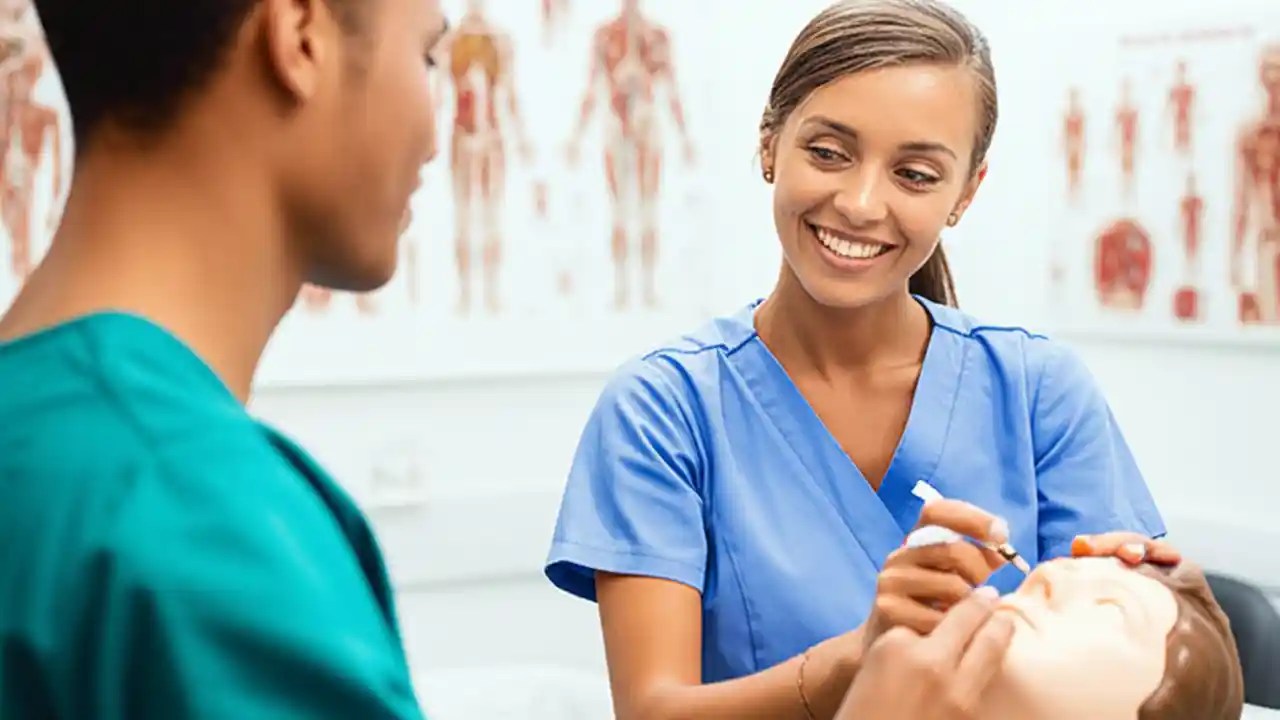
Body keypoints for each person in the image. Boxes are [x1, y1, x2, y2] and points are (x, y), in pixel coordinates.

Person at [544, 1, 1177, 717]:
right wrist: (864, 653)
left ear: (965, 193)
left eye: (914, 174)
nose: (861, 202)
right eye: (828, 153)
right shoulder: (663, 410)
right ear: (769, 144)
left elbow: (1129, 680)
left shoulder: (1037, 392)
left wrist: (1170, 607)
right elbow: (652, 710)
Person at [0, 0, 446, 717]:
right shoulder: (201, 527)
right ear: (300, 39)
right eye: (425, 58)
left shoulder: (39, 441)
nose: (433, 139)